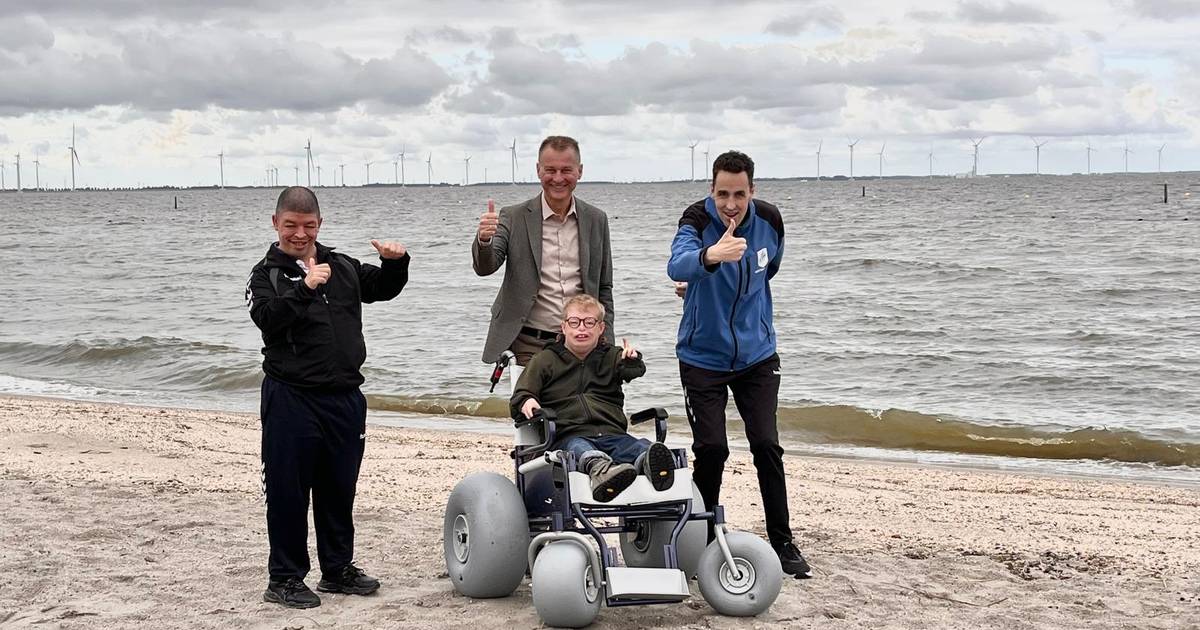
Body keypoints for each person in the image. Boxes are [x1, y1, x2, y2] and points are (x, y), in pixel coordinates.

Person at [245, 186, 411, 608]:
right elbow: (267, 320)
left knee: (339, 488)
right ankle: (284, 578)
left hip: (344, 397)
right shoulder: (265, 274)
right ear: (275, 223)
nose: (299, 234)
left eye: (309, 226)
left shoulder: (341, 265)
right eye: (291, 226)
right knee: (288, 491)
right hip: (290, 397)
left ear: (320, 224)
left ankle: (337, 570)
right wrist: (304, 287)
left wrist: (396, 264)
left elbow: (382, 289)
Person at [666, 151, 813, 579]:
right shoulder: (695, 220)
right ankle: (703, 539)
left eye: (739, 194)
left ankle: (783, 542)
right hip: (702, 358)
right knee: (712, 449)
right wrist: (711, 257)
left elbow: (769, 271)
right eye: (722, 193)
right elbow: (677, 264)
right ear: (711, 190)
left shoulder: (770, 220)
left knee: (766, 445)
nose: (731, 203)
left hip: (757, 356)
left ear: (753, 191)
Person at [511, 294, 675, 501]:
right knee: (580, 448)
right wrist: (527, 400)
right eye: (575, 322)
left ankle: (650, 466)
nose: (582, 328)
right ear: (563, 327)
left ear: (600, 328)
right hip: (567, 435)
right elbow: (520, 395)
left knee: (639, 447)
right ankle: (601, 472)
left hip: (612, 433)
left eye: (589, 322)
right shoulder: (544, 360)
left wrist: (632, 360)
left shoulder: (612, 356)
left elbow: (633, 370)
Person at [472, 135, 614, 366]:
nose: (558, 178)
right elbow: (485, 267)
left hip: (582, 343)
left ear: (580, 171)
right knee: (531, 403)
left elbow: (604, 287)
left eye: (566, 170)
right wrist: (484, 240)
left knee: (584, 403)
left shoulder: (596, 219)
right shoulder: (514, 216)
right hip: (527, 342)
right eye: (550, 170)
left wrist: (608, 344)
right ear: (538, 170)